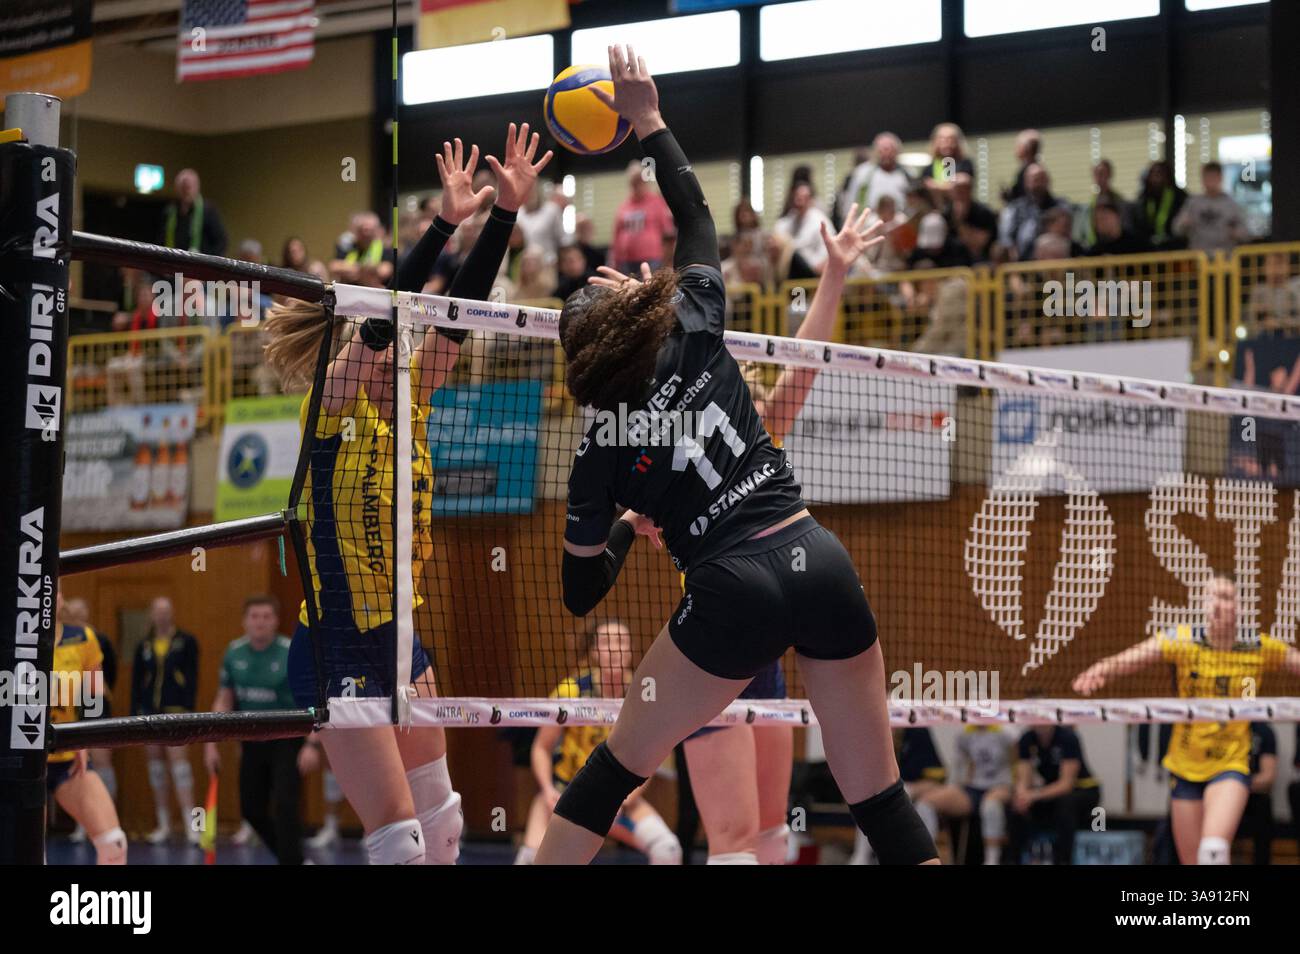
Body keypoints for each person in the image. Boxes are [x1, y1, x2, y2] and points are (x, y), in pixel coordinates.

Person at [534, 45, 936, 867]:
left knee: (644, 783)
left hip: (728, 603)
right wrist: (648, 119)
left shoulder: (601, 445)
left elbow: (579, 592)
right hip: (815, 563)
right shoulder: (697, 331)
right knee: (869, 805)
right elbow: (700, 220)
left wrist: (623, 519)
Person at [263, 125, 551, 865]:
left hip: (400, 637)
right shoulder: (331, 403)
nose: (402, 347)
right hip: (333, 644)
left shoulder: (414, 402)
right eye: (376, 339)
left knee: (445, 825)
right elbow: (380, 324)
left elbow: (456, 310)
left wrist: (506, 215)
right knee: (402, 841)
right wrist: (445, 223)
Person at [597, 204, 884, 864]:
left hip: (765, 656)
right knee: (731, 842)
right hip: (709, 645)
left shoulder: (757, 436)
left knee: (770, 838)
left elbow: (805, 362)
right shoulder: (665, 443)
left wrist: (834, 275)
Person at [1073, 576, 1300, 864]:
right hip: (1184, 765)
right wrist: (1103, 669)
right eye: (1212, 598)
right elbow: (1134, 657)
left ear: (1239, 607)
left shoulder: (1259, 648)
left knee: (1213, 851)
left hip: (1229, 764)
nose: (1218, 605)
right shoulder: (1182, 641)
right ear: (1203, 606)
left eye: (1226, 598)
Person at [517, 620, 681, 865]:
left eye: (621, 642)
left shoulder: (644, 693)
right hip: (566, 792)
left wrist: (625, 801)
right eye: (606, 642)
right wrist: (548, 790)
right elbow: (541, 748)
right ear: (594, 651)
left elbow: (654, 757)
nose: (614, 649)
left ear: (630, 650)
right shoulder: (571, 691)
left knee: (667, 850)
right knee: (530, 858)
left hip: (622, 798)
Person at [204, 595, 303, 865]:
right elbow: (224, 698)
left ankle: (293, 861)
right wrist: (210, 743)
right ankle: (292, 858)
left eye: (266, 616)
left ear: (276, 621)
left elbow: (312, 699)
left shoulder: (290, 651)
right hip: (250, 740)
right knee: (251, 810)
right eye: (254, 617)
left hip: (286, 738)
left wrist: (315, 743)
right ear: (245, 621)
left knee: (285, 804)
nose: (260, 622)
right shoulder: (234, 652)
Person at [48, 587, 127, 865]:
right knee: (25, 850)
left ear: (61, 598)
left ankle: (106, 908)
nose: (48, 596)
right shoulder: (11, 639)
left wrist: (83, 738)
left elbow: (94, 695)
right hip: (21, 761)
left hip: (68, 760)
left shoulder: (83, 638)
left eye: (55, 590)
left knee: (114, 844)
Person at [131, 595, 200, 845]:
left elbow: (193, 677)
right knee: (156, 768)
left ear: (172, 613)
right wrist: (135, 713)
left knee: (180, 768)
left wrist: (189, 709)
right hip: (150, 711)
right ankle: (164, 824)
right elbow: (137, 682)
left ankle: (192, 826)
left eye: (166, 611)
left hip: (177, 710)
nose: (161, 615)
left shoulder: (186, 641)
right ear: (151, 614)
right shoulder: (144, 645)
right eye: (157, 611)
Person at [913, 725, 1016, 865]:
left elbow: (1019, 761)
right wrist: (954, 786)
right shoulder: (965, 733)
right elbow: (959, 766)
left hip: (1000, 785)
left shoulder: (1007, 732)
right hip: (972, 788)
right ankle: (925, 857)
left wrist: (1017, 787)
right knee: (925, 803)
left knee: (990, 806)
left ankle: (992, 860)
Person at [1007, 724, 1100, 865]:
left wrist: (1034, 795)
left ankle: (1063, 860)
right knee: (1014, 806)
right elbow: (1023, 777)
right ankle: (1014, 859)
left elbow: (1066, 784)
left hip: (1083, 790)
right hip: (1050, 791)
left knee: (1065, 804)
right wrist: (1022, 796)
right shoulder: (1027, 738)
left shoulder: (1067, 737)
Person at [610, 159, 674, 274]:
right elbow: (616, 235)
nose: (637, 185)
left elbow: (668, 234)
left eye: (640, 181)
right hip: (626, 262)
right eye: (634, 182)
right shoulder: (624, 206)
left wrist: (667, 260)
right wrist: (614, 260)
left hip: (652, 259)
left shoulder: (656, 202)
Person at [1172, 161, 1249, 253]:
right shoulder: (1193, 203)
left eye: (1213, 177)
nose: (1210, 181)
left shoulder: (1231, 204)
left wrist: (1236, 233)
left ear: (1220, 178)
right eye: (1207, 177)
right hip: (1199, 257)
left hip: (1225, 258)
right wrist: (1184, 224)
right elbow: (1176, 228)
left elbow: (1246, 233)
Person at [160, 168, 227, 256]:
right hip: (174, 262)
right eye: (183, 188)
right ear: (177, 189)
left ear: (197, 187)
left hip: (200, 264)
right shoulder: (169, 211)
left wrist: (207, 260)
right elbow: (161, 239)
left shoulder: (208, 210)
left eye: (189, 187)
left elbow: (221, 241)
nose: (186, 192)